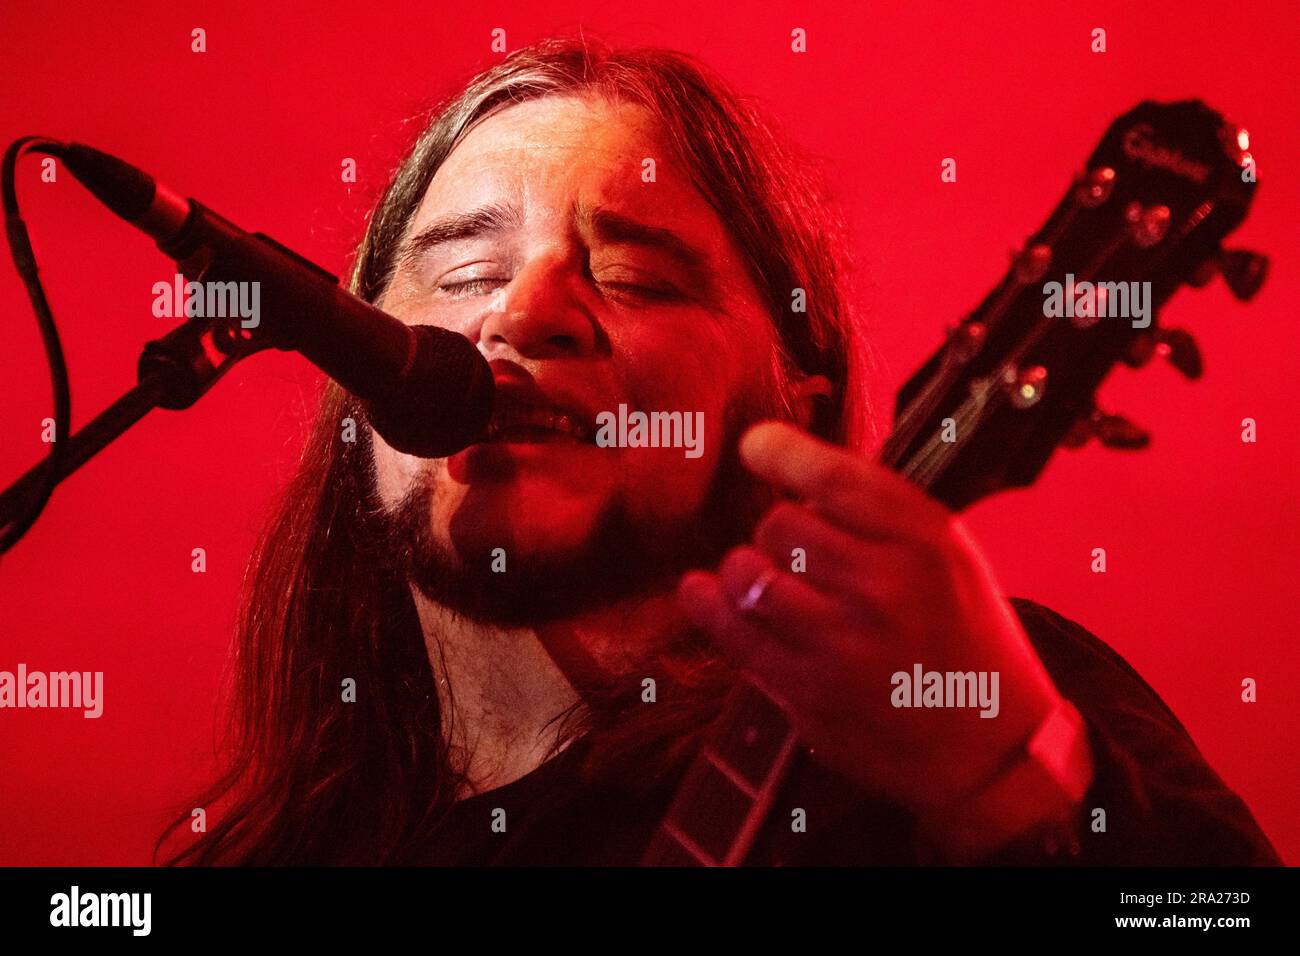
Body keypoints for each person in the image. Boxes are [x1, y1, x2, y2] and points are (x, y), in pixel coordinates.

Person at [161, 36, 1279, 866]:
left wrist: (1004, 785)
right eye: (461, 274)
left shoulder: (965, 696)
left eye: (638, 278)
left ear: (796, 400)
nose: (527, 310)